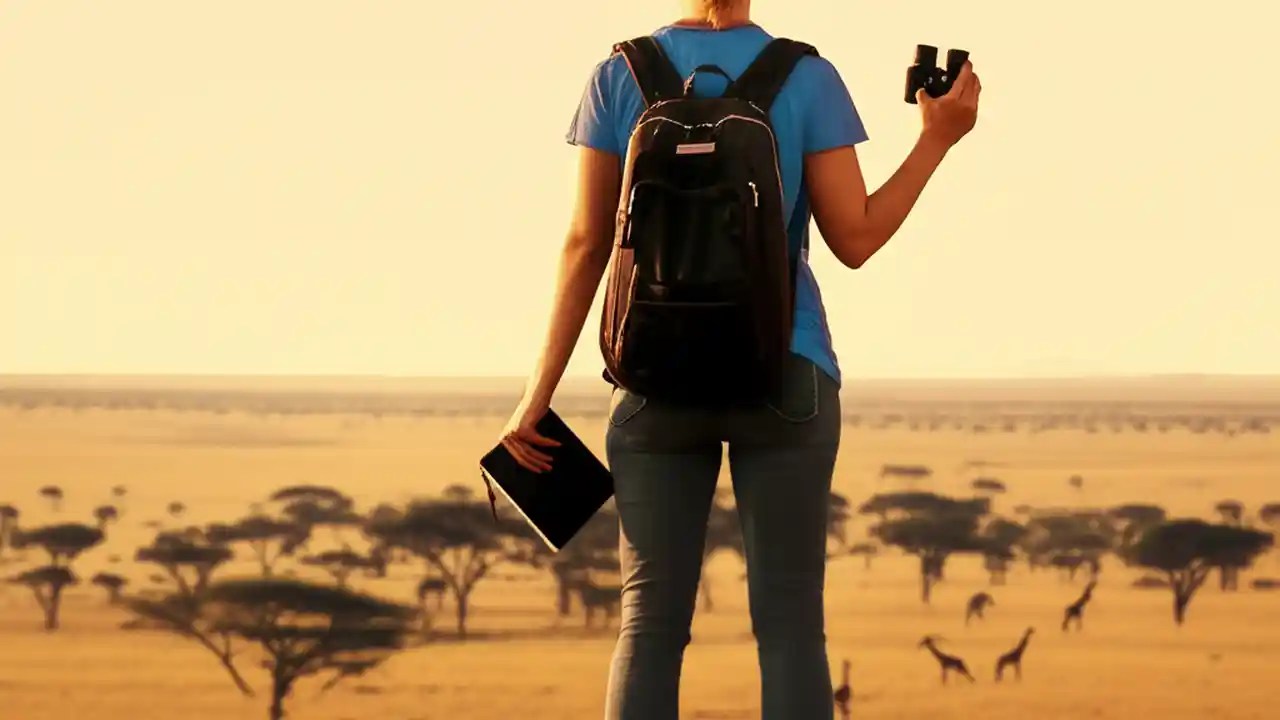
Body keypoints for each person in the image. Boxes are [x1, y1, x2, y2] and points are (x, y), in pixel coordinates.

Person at [499, 1, 981, 717]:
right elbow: (856, 239)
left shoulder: (618, 76)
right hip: (785, 369)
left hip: (650, 378)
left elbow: (585, 245)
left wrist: (535, 396)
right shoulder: (806, 77)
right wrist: (938, 140)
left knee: (650, 624)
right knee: (789, 626)